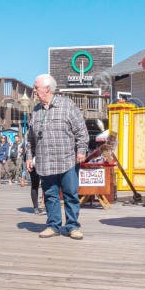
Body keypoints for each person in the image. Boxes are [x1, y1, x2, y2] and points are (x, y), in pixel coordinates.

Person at [26, 74, 88, 240]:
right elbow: (30, 137)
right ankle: (53, 225)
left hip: (67, 160)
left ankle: (73, 226)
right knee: (50, 195)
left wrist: (81, 150)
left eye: (36, 87)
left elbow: (82, 131)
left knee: (70, 194)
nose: (34, 91)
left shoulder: (67, 105)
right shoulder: (36, 111)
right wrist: (29, 156)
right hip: (45, 162)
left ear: (47, 89)